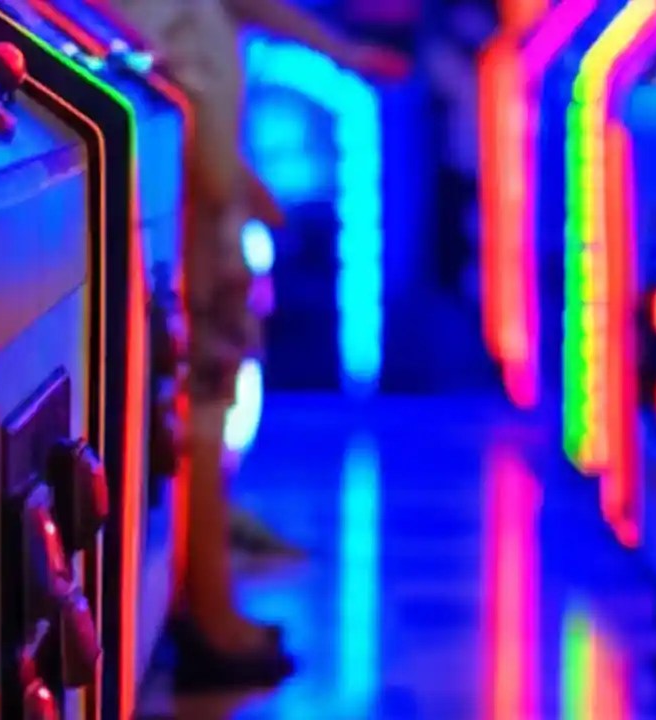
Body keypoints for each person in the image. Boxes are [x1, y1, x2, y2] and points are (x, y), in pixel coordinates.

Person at [104, 0, 407, 691]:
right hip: (197, 220)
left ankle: (204, 601)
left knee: (203, 413)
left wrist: (339, 50)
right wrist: (234, 204)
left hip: (203, 205)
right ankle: (207, 613)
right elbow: (181, 99)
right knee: (202, 414)